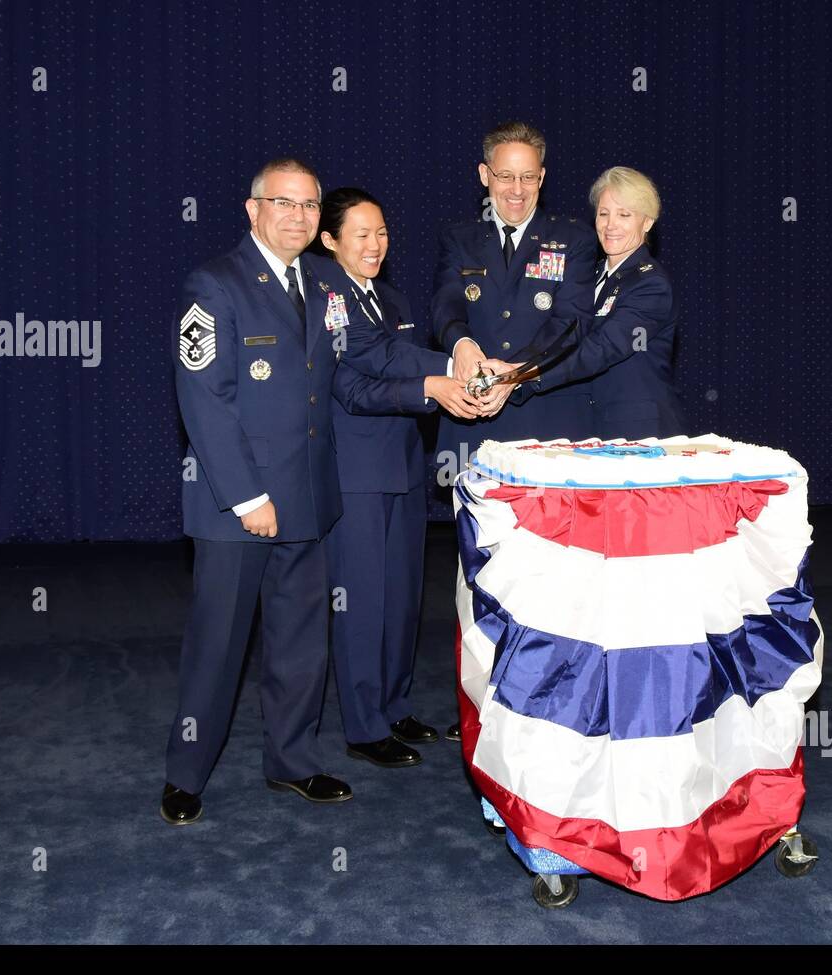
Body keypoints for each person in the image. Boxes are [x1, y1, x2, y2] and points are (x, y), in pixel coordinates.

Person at [161, 158, 456, 826]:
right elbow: (204, 400)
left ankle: (292, 762)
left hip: (311, 498)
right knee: (219, 645)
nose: (296, 216)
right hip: (240, 507)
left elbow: (368, 359)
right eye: (283, 203)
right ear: (253, 207)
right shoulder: (213, 284)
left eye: (307, 205)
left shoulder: (326, 284)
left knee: (300, 644)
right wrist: (247, 498)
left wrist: (449, 368)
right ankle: (185, 774)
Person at [430, 120, 599, 740]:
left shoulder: (574, 242)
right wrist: (464, 343)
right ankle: (480, 712)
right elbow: (445, 303)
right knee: (480, 576)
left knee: (550, 574)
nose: (518, 189)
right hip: (473, 428)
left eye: (529, 176)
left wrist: (516, 372)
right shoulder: (460, 237)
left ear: (543, 178)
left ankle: (549, 708)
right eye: (506, 176)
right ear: (485, 176)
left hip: (546, 425)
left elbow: (574, 324)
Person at [314, 187, 486, 767]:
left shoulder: (388, 296)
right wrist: (445, 374)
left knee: (402, 597)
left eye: (382, 232)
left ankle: (394, 704)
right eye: (360, 235)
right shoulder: (322, 295)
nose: (375, 244)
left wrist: (441, 380)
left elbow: (394, 358)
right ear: (329, 240)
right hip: (356, 470)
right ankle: (364, 727)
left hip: (406, 466)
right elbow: (358, 381)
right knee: (360, 599)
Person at [510, 166, 685, 439]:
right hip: (590, 426)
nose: (610, 224)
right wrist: (512, 364)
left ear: (648, 222)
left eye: (624, 214)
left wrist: (525, 374)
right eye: (603, 214)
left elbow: (601, 349)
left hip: (639, 433)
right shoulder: (589, 275)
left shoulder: (651, 285)